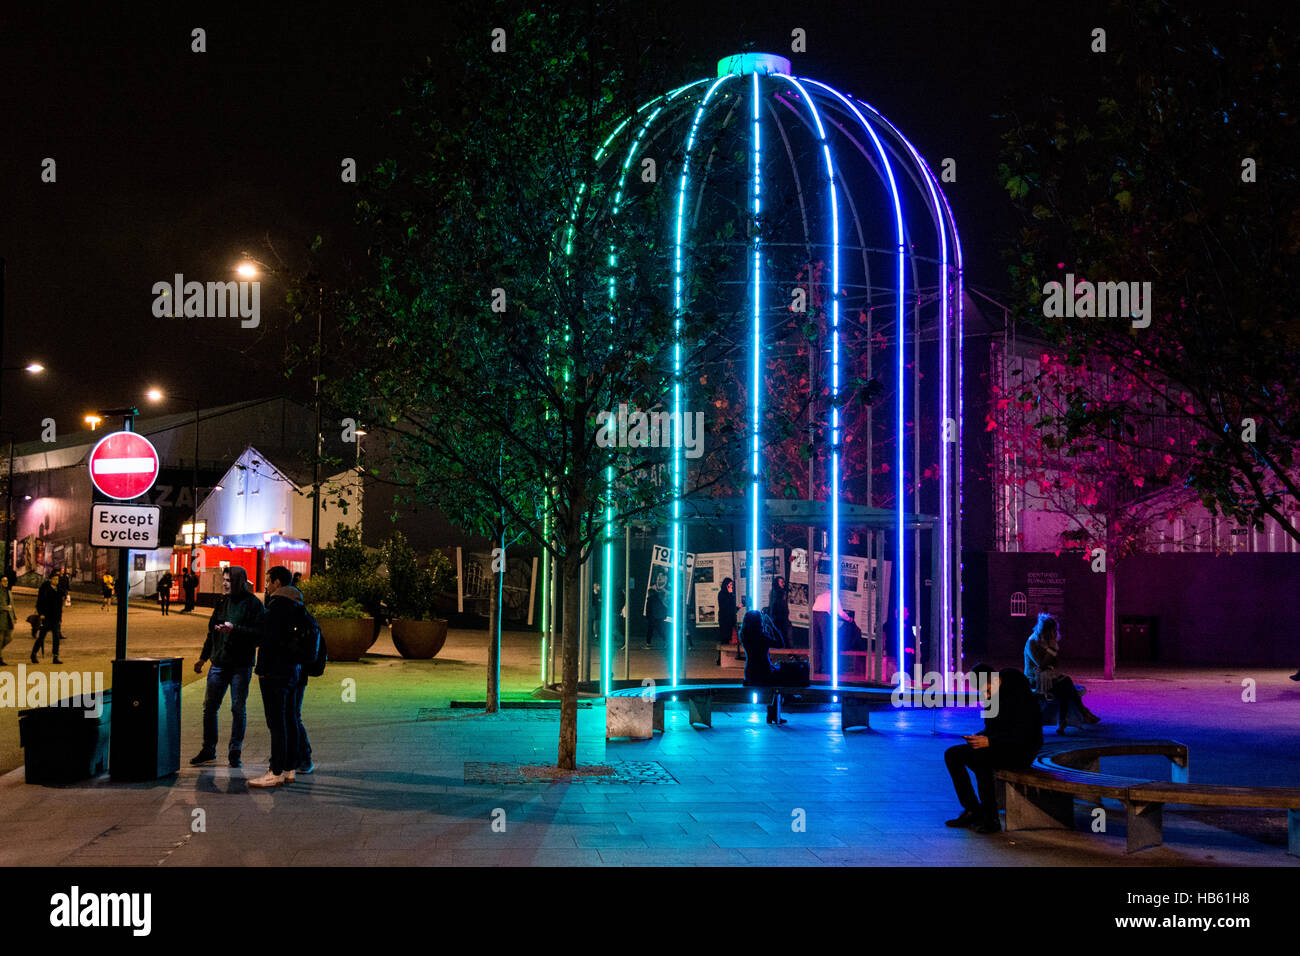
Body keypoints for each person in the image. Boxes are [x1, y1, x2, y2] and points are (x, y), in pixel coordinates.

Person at [944, 665, 1043, 833]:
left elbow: (1024, 733)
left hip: (1021, 750)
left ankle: (991, 818)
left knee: (983, 760)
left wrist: (990, 741)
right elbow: (992, 727)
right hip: (997, 745)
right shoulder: (993, 696)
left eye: (986, 689)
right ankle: (972, 809)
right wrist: (979, 737)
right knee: (953, 755)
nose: (985, 695)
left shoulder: (1021, 697)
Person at [240, 564, 306, 787]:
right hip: (293, 672)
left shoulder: (278, 606)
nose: (266, 586)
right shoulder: (298, 604)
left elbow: (266, 640)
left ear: (277, 582)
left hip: (275, 672)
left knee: (276, 723)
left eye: (268, 581)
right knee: (290, 719)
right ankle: (289, 769)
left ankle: (275, 770)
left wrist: (262, 671)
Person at [191, 566, 262, 768]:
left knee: (238, 708)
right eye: (224, 579)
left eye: (229, 580)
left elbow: (259, 634)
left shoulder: (253, 604)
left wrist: (234, 629)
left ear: (239, 581)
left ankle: (234, 751)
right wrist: (203, 658)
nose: (225, 583)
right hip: (219, 663)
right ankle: (208, 749)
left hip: (241, 665)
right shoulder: (222, 602)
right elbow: (211, 633)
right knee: (209, 707)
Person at [1023, 612, 1099, 734]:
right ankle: (1079, 713)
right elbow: (1040, 665)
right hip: (1034, 680)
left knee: (1065, 687)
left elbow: (1055, 663)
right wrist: (1051, 650)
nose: (1054, 634)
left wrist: (1050, 654)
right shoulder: (1033, 642)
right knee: (1066, 684)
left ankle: (1066, 720)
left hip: (1048, 676)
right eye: (1052, 631)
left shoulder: (1048, 641)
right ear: (1045, 630)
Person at [32, 570, 64, 664]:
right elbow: (40, 602)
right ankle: (33, 654)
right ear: (50, 580)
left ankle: (55, 656)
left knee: (56, 637)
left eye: (57, 579)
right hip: (46, 617)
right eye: (54, 579)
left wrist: (60, 616)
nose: (56, 581)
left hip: (56, 617)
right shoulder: (45, 589)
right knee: (41, 637)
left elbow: (60, 603)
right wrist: (41, 613)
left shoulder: (58, 590)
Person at [644, 574, 668, 648]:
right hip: (658, 617)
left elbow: (648, 609)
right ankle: (665, 642)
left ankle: (648, 644)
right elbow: (663, 608)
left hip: (653, 618)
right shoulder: (659, 599)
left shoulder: (650, 600)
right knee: (660, 630)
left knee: (650, 631)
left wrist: (648, 616)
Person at [768, 576, 792, 648]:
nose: (783, 584)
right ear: (777, 583)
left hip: (780, 617)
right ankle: (790, 653)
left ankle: (789, 652)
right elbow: (775, 605)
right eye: (781, 582)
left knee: (783, 635)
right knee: (785, 635)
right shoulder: (777, 593)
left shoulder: (778, 592)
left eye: (783, 582)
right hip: (779, 617)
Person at [717, 577, 738, 645]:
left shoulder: (731, 594)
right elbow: (725, 606)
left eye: (732, 585)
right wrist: (730, 594)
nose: (731, 586)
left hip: (731, 618)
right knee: (725, 636)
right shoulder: (722, 594)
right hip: (724, 618)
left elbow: (731, 607)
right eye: (730, 584)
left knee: (730, 636)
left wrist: (737, 607)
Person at [0, 571, 15, 665]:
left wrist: (14, 616)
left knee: (9, 637)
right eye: (4, 581)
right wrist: (3, 608)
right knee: (0, 639)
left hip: (8, 618)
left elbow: (12, 605)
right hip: (1, 618)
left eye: (7, 581)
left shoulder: (8, 591)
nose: (6, 583)